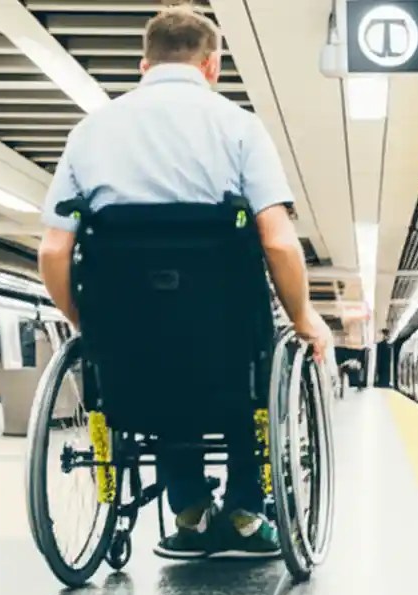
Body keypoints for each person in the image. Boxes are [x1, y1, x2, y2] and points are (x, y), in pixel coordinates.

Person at [36, 5, 332, 561]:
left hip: (130, 346)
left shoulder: (91, 131)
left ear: (143, 64)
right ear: (212, 65)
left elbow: (55, 248)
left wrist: (83, 318)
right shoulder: (239, 127)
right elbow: (276, 241)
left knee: (152, 368)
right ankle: (247, 513)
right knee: (253, 366)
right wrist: (303, 317)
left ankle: (190, 510)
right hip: (226, 342)